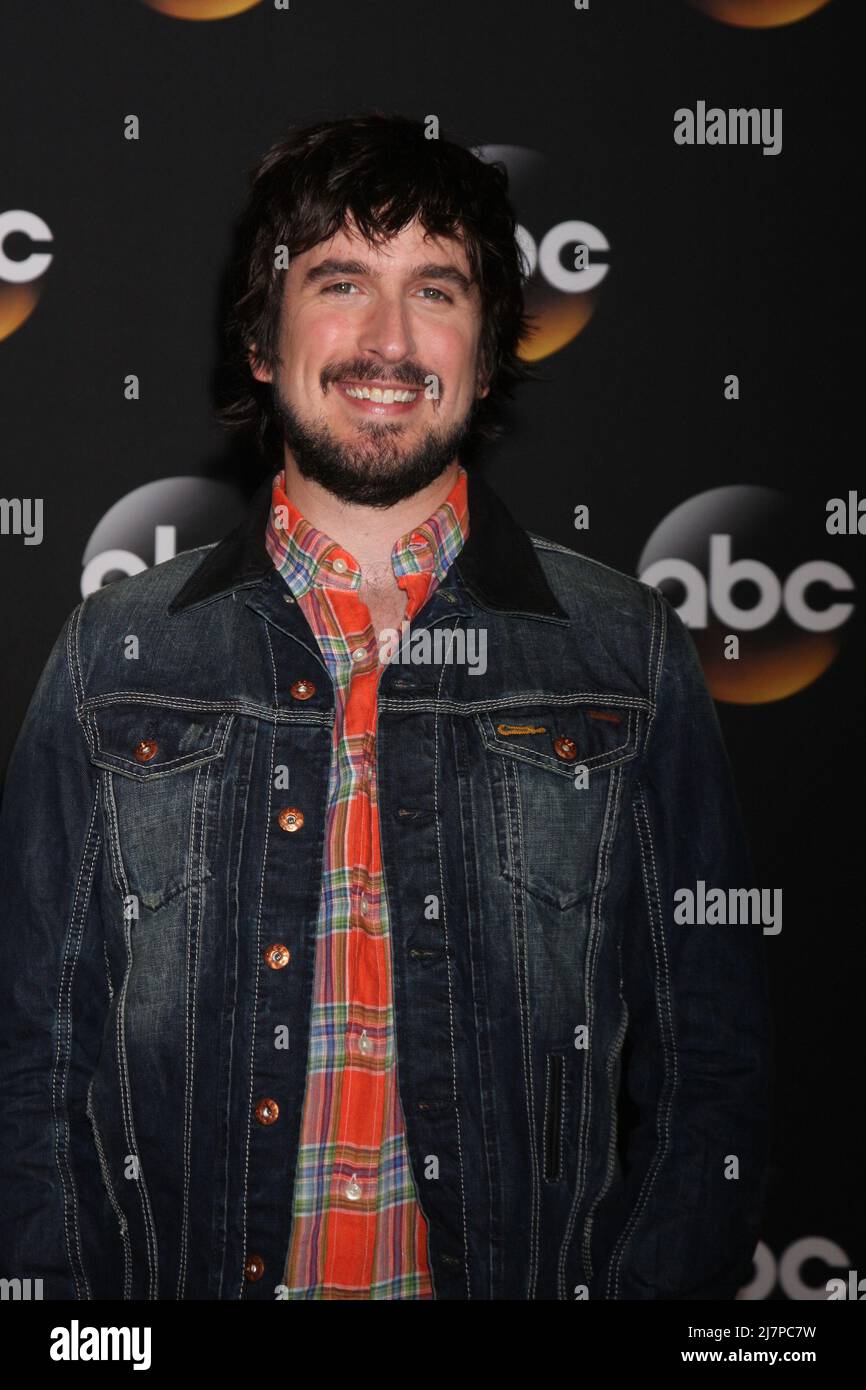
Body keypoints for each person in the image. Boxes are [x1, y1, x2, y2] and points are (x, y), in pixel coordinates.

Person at [0, 111, 771, 1301]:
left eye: (439, 290)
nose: (389, 339)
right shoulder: (118, 653)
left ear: (488, 342)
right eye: (341, 281)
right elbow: (28, 1062)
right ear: (262, 338)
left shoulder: (624, 653)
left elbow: (711, 1070)